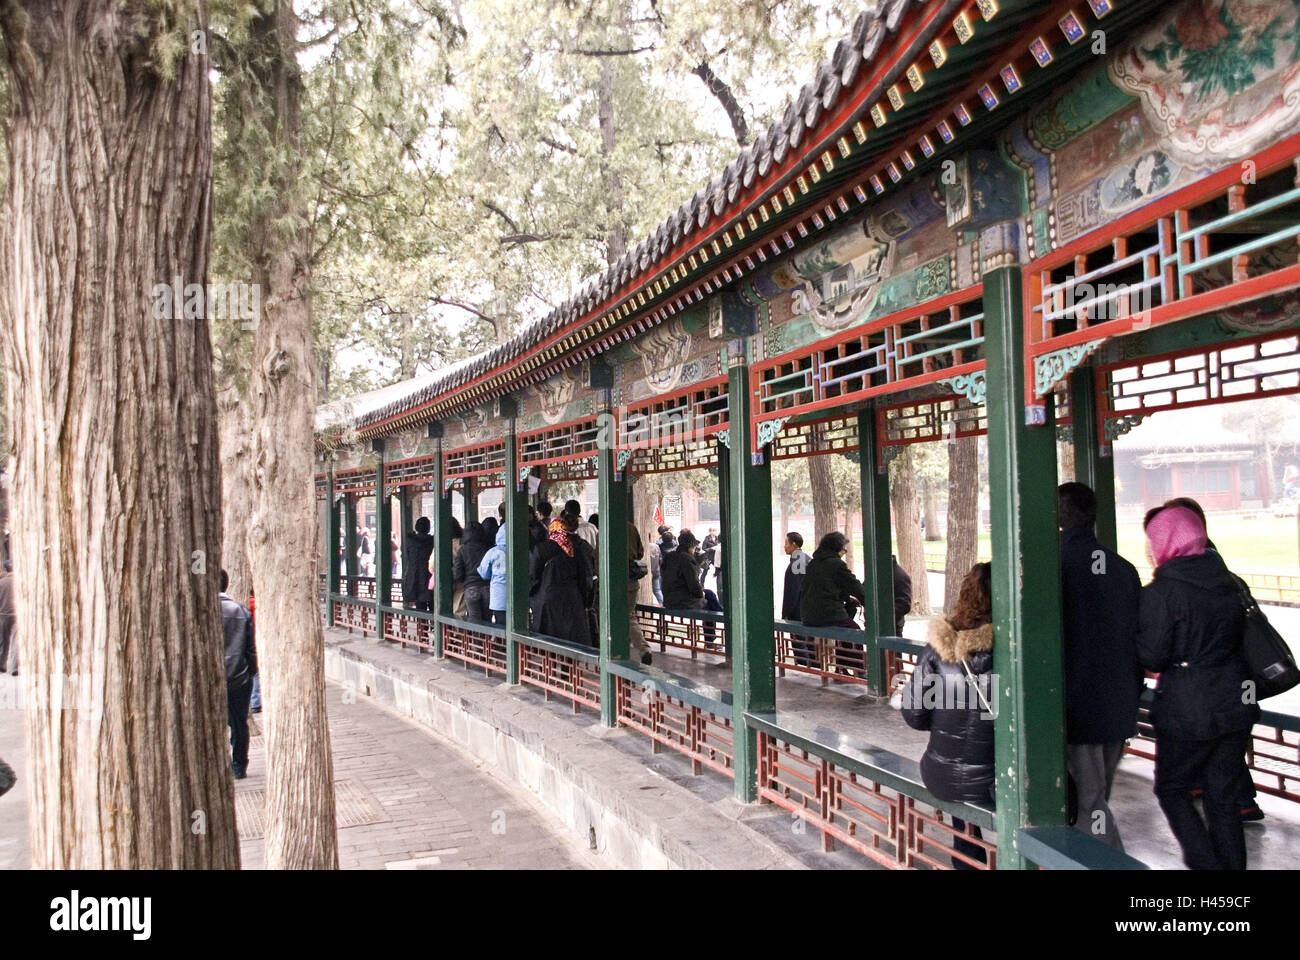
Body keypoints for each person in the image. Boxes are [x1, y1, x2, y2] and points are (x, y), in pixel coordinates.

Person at [1138, 506, 1259, 870]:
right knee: (1221, 798)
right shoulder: (1230, 582)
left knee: (1172, 790)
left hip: (1188, 708)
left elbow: (1154, 657)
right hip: (1236, 703)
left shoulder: (1163, 592)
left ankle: (1206, 867)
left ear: (1165, 544)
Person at [1058, 482, 1142, 850]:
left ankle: (1108, 860)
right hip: (1118, 702)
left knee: (1087, 802)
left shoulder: (1050, 566)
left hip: (1074, 705)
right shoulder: (1122, 570)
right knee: (1096, 797)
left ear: (1060, 515)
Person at [899, 562, 995, 868]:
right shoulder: (1021, 650)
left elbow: (914, 715)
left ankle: (967, 860)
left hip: (942, 773)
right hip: (997, 781)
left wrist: (945, 718)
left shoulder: (938, 649)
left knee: (963, 804)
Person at [801, 532, 866, 674]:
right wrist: (866, 599)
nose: (845, 551)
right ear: (836, 548)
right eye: (844, 548)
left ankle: (841, 667)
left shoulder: (813, 563)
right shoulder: (836, 564)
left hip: (808, 615)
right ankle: (860, 669)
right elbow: (854, 586)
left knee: (844, 629)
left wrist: (848, 599)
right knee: (854, 631)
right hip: (826, 614)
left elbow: (825, 587)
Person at [529, 516, 594, 645]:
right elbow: (585, 576)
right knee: (571, 641)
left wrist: (533, 596)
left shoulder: (541, 549)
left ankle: (549, 664)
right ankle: (569, 664)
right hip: (572, 599)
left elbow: (533, 576)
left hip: (548, 599)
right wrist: (585, 599)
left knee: (549, 642)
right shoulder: (577, 547)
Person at [220, 569, 258, 780]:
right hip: (239, 678)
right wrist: (249, 672)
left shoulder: (201, 611)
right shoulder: (241, 611)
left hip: (212, 681)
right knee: (238, 723)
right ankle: (239, 766)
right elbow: (251, 649)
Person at [782, 533, 814, 667]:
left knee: (800, 641)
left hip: (798, 611)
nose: (785, 547)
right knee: (808, 641)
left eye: (786, 543)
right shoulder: (805, 558)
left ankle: (806, 668)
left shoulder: (799, 562)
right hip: (806, 608)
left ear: (794, 544)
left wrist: (787, 612)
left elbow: (794, 590)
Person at [454, 521, 493, 621]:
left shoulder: (462, 550)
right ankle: (487, 637)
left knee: (474, 620)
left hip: (471, 588)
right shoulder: (487, 548)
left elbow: (458, 574)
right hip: (487, 587)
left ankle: (476, 636)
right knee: (487, 620)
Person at [627, 521, 652, 664]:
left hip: (611, 583)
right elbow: (640, 552)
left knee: (622, 617)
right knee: (629, 615)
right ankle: (640, 648)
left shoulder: (605, 530)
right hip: (631, 582)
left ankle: (643, 648)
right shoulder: (631, 528)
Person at [476, 522, 509, 626]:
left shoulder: (493, 552)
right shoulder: (522, 551)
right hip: (519, 597)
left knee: (501, 626)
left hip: (499, 597)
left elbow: (484, 573)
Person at [402, 517, 435, 611]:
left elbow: (407, 556)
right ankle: (435, 625)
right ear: (428, 528)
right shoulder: (433, 541)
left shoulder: (410, 541)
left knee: (420, 606)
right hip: (430, 575)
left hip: (414, 575)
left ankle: (422, 625)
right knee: (433, 604)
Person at [892, 556, 912, 636]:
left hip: (893, 628)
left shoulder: (900, 576)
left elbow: (904, 605)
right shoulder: (875, 572)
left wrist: (884, 617)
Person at [0, 560, 13, 676]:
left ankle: (1, 665)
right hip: (17, 615)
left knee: (3, 641)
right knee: (15, 640)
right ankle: (14, 667)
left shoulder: (1, 582)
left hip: (3, 615)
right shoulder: (20, 582)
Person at [647, 535, 663, 606]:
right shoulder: (656, 546)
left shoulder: (646, 546)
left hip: (648, 572)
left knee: (655, 590)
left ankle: (662, 603)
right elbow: (660, 559)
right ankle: (662, 604)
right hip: (656, 570)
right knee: (657, 590)